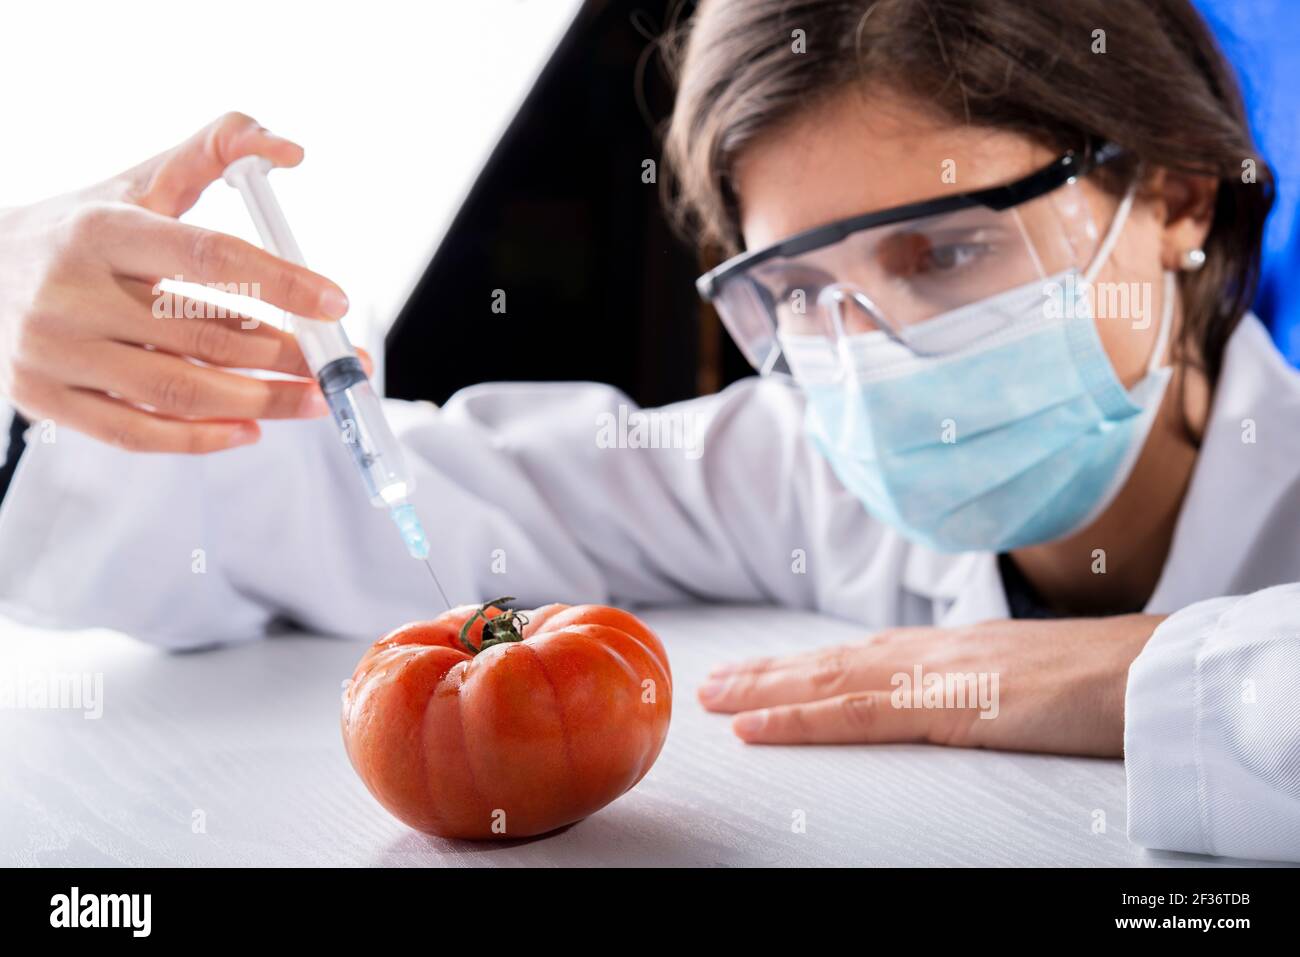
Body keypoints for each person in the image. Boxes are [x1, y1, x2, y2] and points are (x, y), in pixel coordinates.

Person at [0, 0, 1297, 862]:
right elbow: (385, 499)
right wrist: (31, 357)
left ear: (1176, 197)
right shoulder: (793, 472)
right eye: (798, 289)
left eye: (946, 251)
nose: (869, 353)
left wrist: (1164, 672)